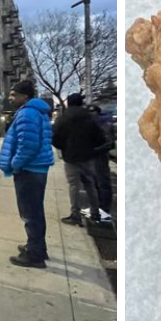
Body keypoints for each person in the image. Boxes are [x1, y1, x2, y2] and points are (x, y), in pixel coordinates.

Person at [0, 80, 55, 268]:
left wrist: (15, 164)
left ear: (25, 96)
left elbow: (28, 146)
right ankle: (37, 247)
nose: (10, 98)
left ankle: (34, 255)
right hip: (36, 168)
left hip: (29, 169)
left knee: (30, 213)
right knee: (35, 211)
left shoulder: (27, 113)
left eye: (14, 94)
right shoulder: (37, 111)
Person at [52, 93, 107, 226]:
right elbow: (100, 138)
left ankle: (75, 214)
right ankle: (95, 213)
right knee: (89, 184)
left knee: (73, 186)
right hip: (87, 157)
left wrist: (64, 148)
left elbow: (55, 138)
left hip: (70, 157)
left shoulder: (63, 118)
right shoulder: (90, 117)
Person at [86, 105, 115, 219]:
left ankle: (104, 209)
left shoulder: (103, 124)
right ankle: (98, 208)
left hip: (99, 156)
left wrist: (94, 149)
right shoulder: (102, 122)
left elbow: (109, 143)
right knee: (96, 182)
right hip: (96, 156)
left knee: (102, 182)